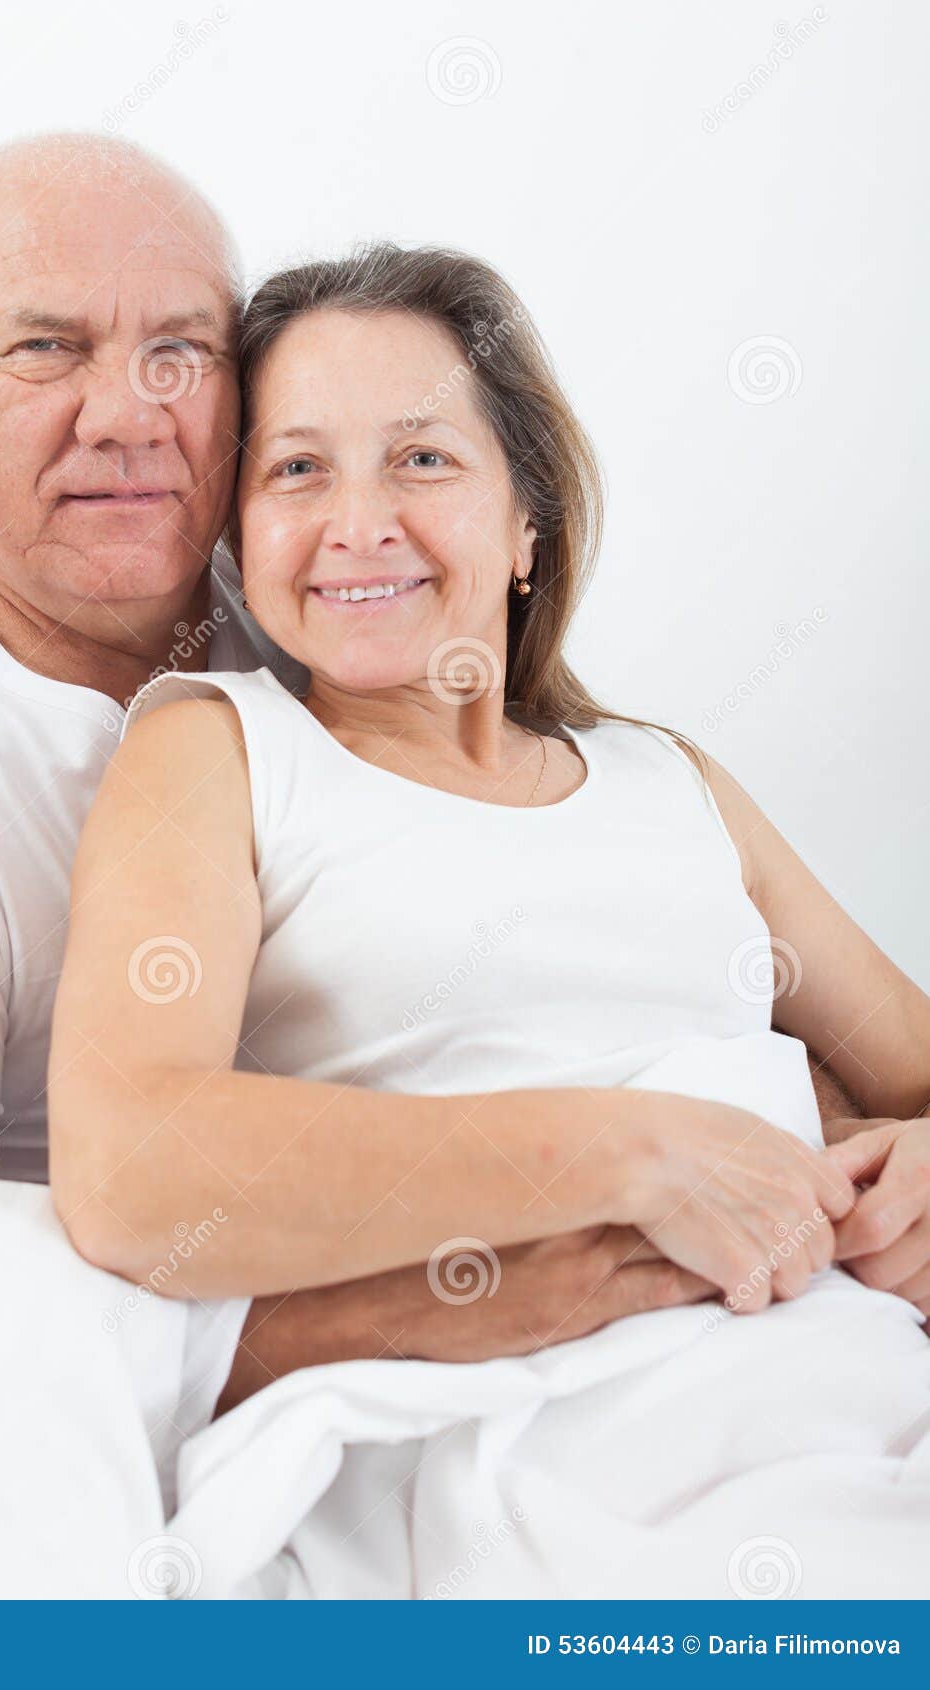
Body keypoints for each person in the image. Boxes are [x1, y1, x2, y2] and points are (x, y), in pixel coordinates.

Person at [0, 135, 782, 1437]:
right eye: (44, 349)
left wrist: (802, 1129)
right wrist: (414, 1314)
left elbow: (582, 933)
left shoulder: (313, 591)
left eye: (182, 350)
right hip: (158, 1417)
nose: (127, 415)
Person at [49, 242, 930, 1377]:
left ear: (527, 525)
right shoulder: (218, 750)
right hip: (528, 1426)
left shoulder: (670, 782)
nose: (358, 524)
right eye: (297, 471)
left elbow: (912, 1067)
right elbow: (133, 1166)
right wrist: (628, 1154)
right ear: (240, 537)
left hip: (846, 1369)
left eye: (420, 458)